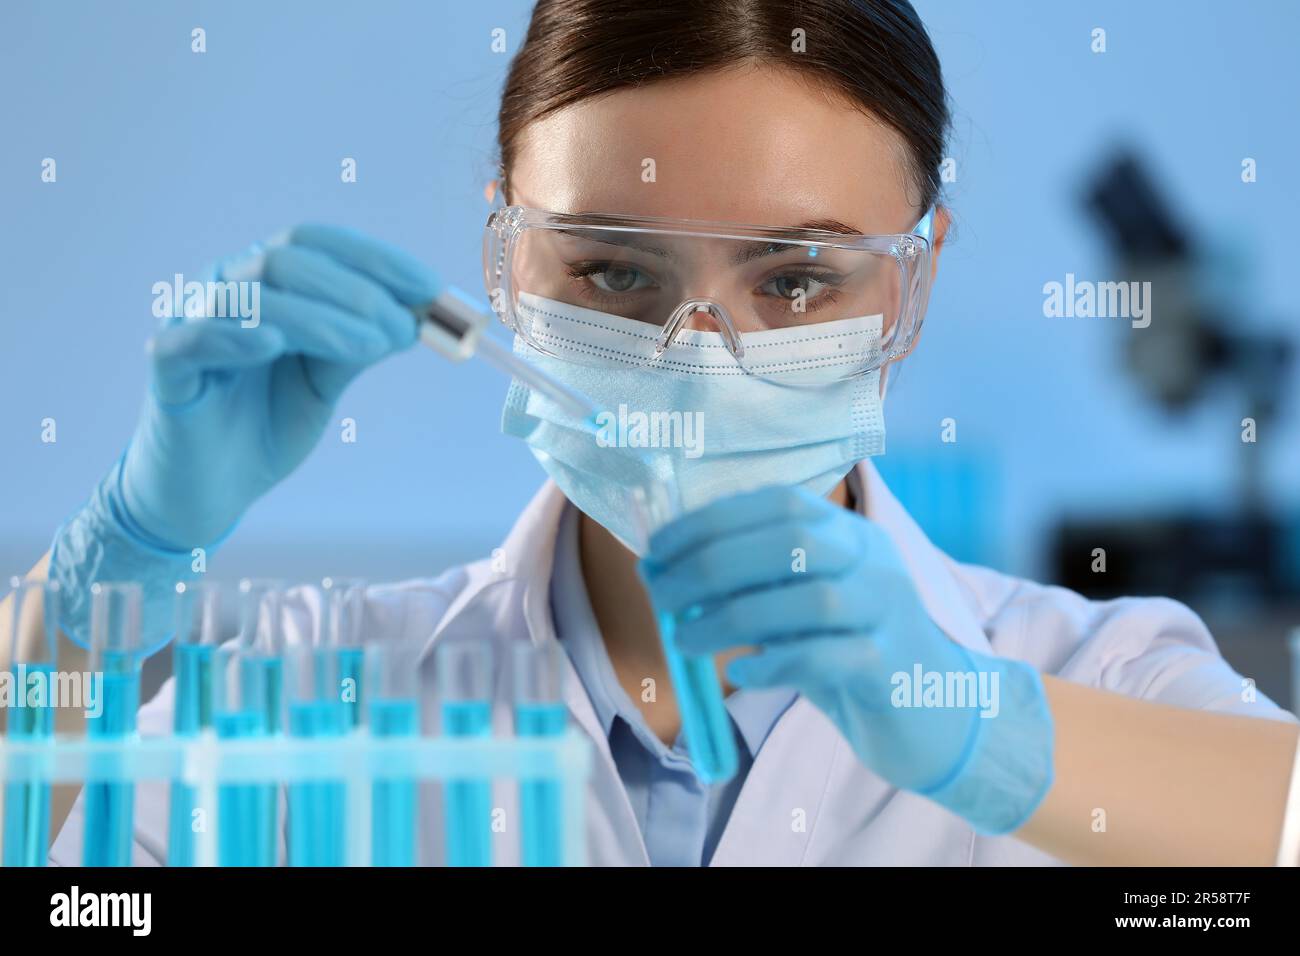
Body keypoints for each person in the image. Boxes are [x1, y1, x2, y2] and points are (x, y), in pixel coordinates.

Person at [6, 0, 1297, 866]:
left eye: (795, 280)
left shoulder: (1099, 681)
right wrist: (115, 562)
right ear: (504, 265)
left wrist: (988, 737)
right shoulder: (318, 705)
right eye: (616, 275)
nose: (700, 360)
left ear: (913, 283)